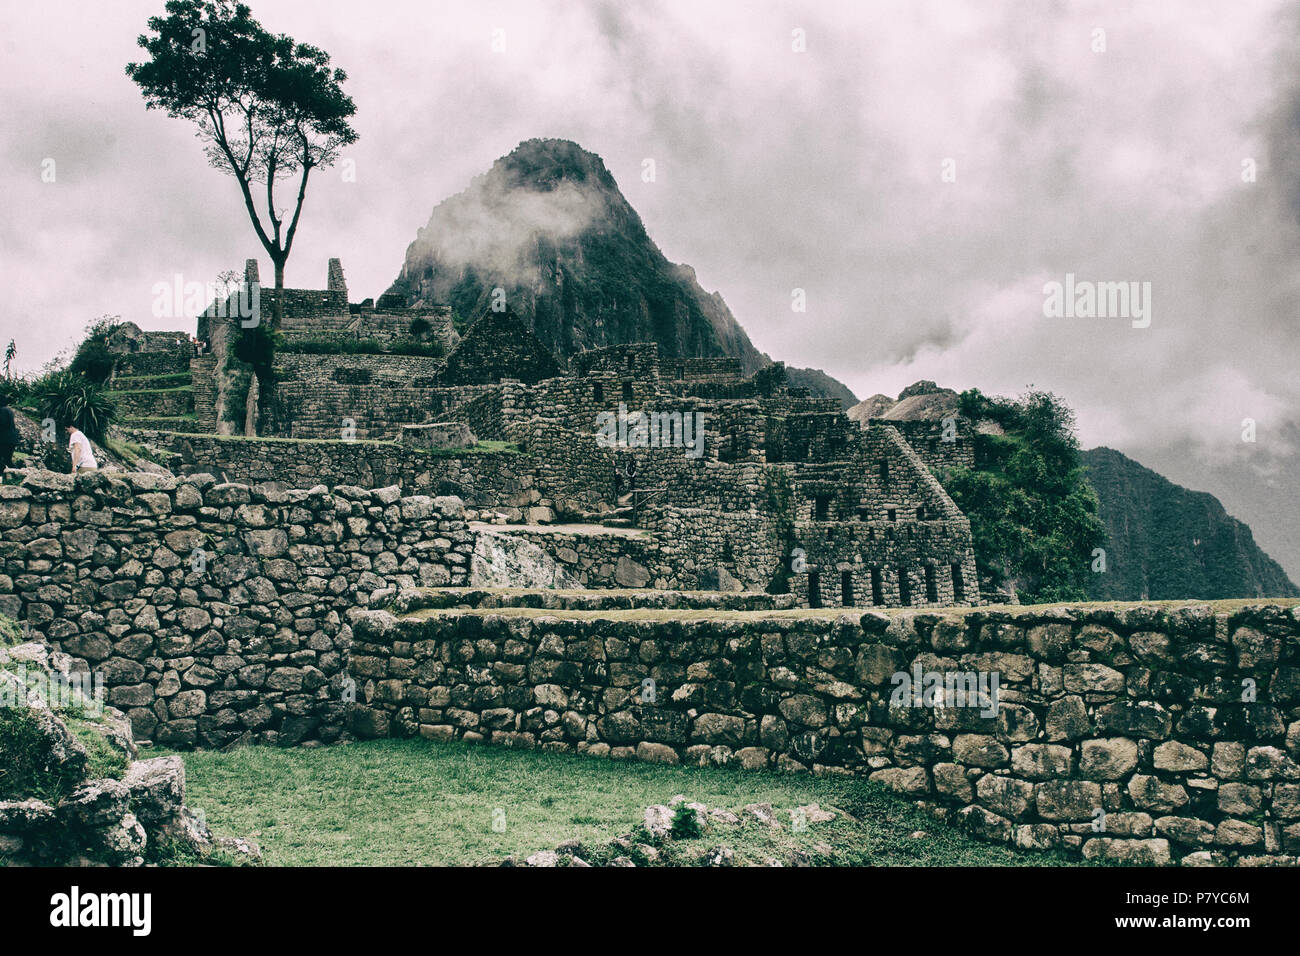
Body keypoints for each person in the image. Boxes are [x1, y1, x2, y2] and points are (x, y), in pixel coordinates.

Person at [0, 394, 20, 475]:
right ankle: (18, 475)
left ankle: (3, 476)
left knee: (4, 460)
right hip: (11, 440)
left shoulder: (2, 410)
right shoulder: (8, 410)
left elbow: (2, 423)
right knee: (7, 460)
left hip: (4, 440)